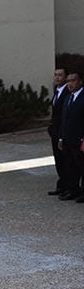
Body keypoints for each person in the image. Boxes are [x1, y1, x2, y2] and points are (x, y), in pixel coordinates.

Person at [58, 69, 84, 202]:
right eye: (68, 81)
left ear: (80, 82)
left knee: (82, 166)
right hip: (68, 139)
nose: (70, 84)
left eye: (73, 81)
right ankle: (73, 190)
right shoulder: (68, 97)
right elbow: (64, 119)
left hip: (80, 140)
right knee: (70, 166)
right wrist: (61, 137)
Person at [48, 67, 68, 196]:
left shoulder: (68, 91)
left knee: (65, 160)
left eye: (60, 75)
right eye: (55, 75)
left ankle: (68, 186)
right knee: (58, 160)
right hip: (55, 132)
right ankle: (62, 185)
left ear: (65, 77)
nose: (57, 77)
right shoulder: (57, 90)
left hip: (63, 132)